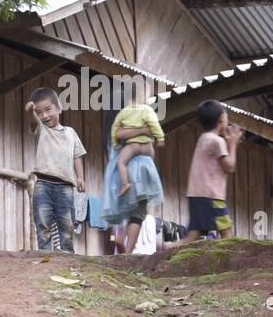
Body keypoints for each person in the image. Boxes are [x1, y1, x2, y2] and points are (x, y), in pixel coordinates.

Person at [169, 100, 243, 248]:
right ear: (221, 119)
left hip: (196, 195)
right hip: (211, 197)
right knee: (227, 233)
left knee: (191, 237)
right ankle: (230, 265)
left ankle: (163, 250)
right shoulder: (217, 141)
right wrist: (233, 144)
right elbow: (229, 167)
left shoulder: (204, 138)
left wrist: (228, 144)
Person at [24, 87, 86, 253]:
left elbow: (77, 155)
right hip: (42, 185)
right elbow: (33, 122)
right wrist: (31, 113)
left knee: (66, 223)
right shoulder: (42, 130)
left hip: (65, 187)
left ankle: (67, 254)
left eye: (48, 110)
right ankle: (45, 253)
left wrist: (80, 177)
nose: (44, 116)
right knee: (42, 222)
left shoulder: (70, 133)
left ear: (59, 108)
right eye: (39, 113)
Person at [101, 123, 165, 255]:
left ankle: (120, 240)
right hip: (138, 178)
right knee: (138, 214)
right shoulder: (136, 131)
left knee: (123, 213)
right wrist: (144, 131)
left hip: (116, 179)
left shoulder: (110, 138)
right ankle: (128, 253)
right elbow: (149, 153)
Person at [110, 81, 165, 197]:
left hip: (133, 146)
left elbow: (115, 129)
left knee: (121, 162)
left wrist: (116, 144)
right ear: (142, 95)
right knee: (150, 164)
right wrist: (160, 138)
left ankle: (125, 184)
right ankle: (151, 181)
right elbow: (155, 125)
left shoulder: (124, 112)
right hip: (147, 147)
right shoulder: (148, 110)